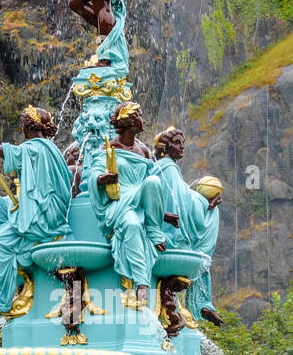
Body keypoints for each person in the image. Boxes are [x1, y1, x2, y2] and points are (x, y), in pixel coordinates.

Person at [0, 106, 71, 316]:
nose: (22, 129)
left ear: (28, 126)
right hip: (34, 203)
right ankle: (11, 251)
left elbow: (15, 153)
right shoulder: (47, 147)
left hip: (44, 214)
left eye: (23, 125)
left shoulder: (37, 148)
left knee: (2, 240)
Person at [88, 102, 176, 306]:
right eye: (140, 116)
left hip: (139, 200)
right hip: (120, 203)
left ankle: (153, 230)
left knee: (153, 181)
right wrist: (102, 178)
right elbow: (93, 174)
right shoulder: (109, 148)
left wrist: (162, 215)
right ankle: (142, 283)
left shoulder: (144, 151)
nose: (143, 120)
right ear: (129, 121)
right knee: (132, 224)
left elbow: (151, 192)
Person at [153, 126, 223, 325]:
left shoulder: (166, 169)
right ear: (165, 146)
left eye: (183, 143)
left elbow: (181, 194)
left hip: (168, 227)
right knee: (211, 218)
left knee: (199, 254)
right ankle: (202, 302)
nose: (182, 147)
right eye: (177, 143)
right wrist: (205, 204)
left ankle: (202, 303)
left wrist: (196, 193)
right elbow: (178, 201)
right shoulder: (167, 168)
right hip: (170, 233)